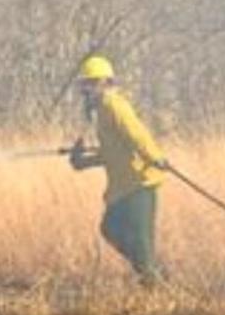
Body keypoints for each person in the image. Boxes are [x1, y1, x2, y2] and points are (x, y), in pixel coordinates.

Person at [66, 54, 171, 282]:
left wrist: (155, 158)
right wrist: (83, 161)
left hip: (139, 184)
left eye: (91, 84)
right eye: (85, 85)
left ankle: (156, 284)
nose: (87, 90)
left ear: (104, 83)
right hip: (122, 189)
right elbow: (112, 153)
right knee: (110, 230)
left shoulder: (114, 105)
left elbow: (137, 134)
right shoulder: (102, 111)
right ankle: (153, 274)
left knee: (141, 247)